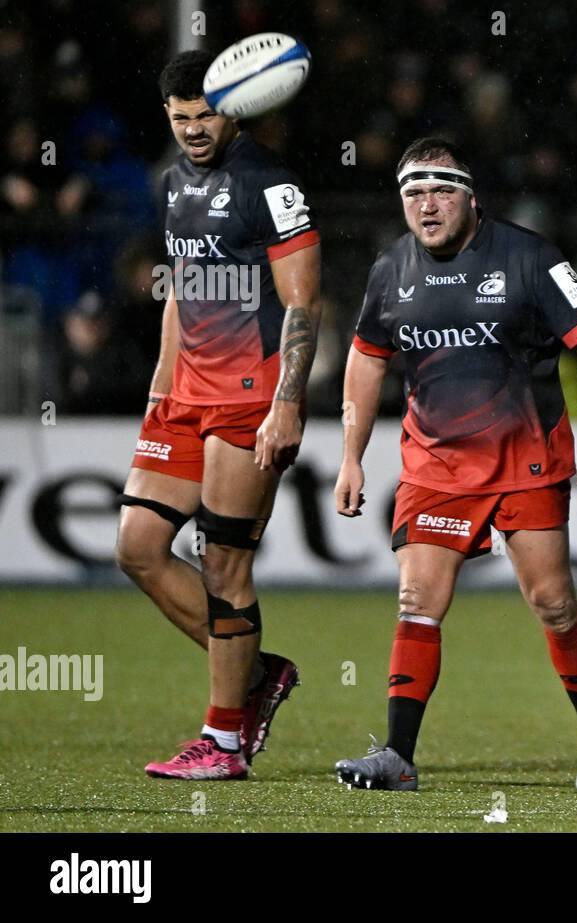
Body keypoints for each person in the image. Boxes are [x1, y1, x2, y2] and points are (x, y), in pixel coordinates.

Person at [332, 138, 577, 792]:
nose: (426, 206)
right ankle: (398, 756)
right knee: (417, 599)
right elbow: (366, 360)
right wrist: (351, 456)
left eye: (440, 191)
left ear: (470, 196)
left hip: (526, 459)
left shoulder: (530, 257)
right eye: (413, 194)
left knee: (553, 603)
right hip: (434, 467)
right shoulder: (391, 269)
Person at [115, 50, 322, 779]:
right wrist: (158, 389)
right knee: (138, 546)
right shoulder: (173, 182)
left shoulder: (271, 182)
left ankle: (224, 742)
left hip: (248, 397)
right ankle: (256, 674)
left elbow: (302, 300)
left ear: (233, 109)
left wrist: (287, 402)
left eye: (205, 116)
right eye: (181, 119)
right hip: (184, 394)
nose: (194, 130)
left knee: (223, 564)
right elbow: (181, 288)